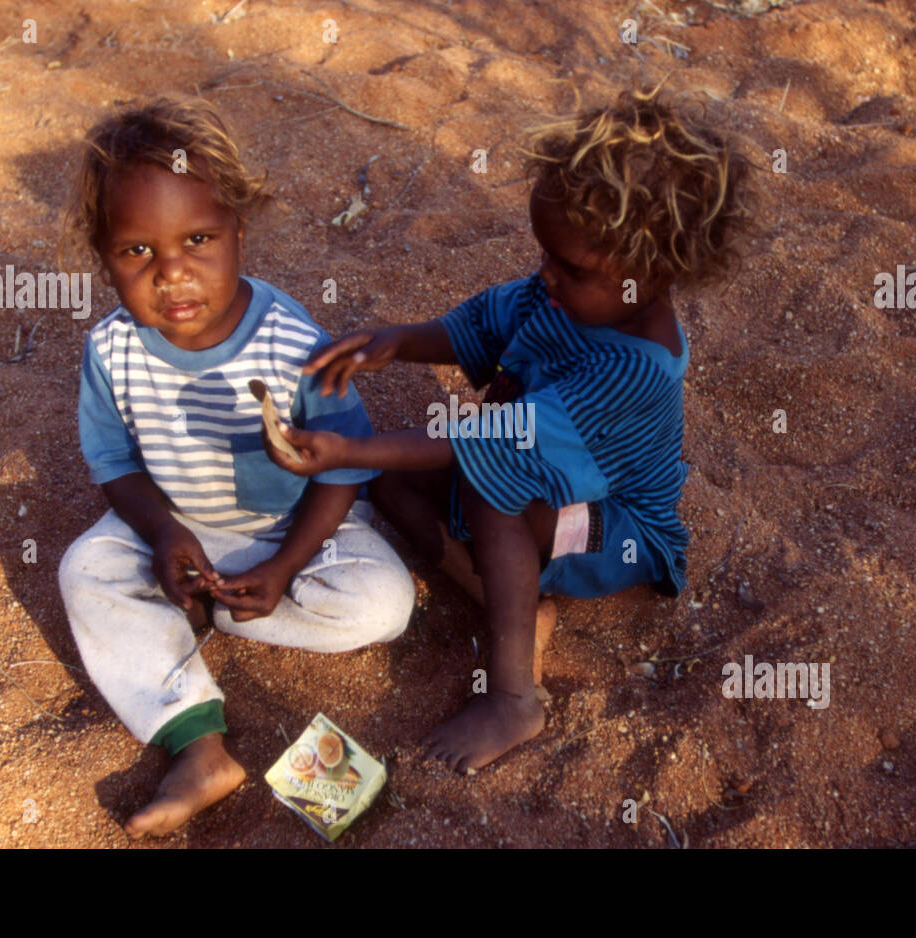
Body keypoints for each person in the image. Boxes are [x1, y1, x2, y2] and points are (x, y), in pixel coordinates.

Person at [266, 83, 756, 773]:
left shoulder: (635, 370)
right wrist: (399, 341)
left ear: (658, 270)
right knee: (386, 481)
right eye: (545, 256)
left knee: (493, 497)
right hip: (526, 462)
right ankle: (521, 611)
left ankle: (514, 696)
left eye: (572, 267)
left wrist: (347, 445)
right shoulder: (577, 296)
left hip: (614, 527)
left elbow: (505, 444)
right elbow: (484, 324)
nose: (547, 277)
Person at [56, 96, 414, 836]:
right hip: (177, 528)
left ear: (238, 234)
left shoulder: (291, 342)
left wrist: (285, 566)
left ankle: (207, 609)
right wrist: (158, 534)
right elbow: (115, 462)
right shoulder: (112, 349)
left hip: (292, 529)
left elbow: (345, 471)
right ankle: (196, 742)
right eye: (137, 251)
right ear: (103, 256)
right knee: (83, 570)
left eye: (197, 239)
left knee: (385, 603)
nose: (172, 273)